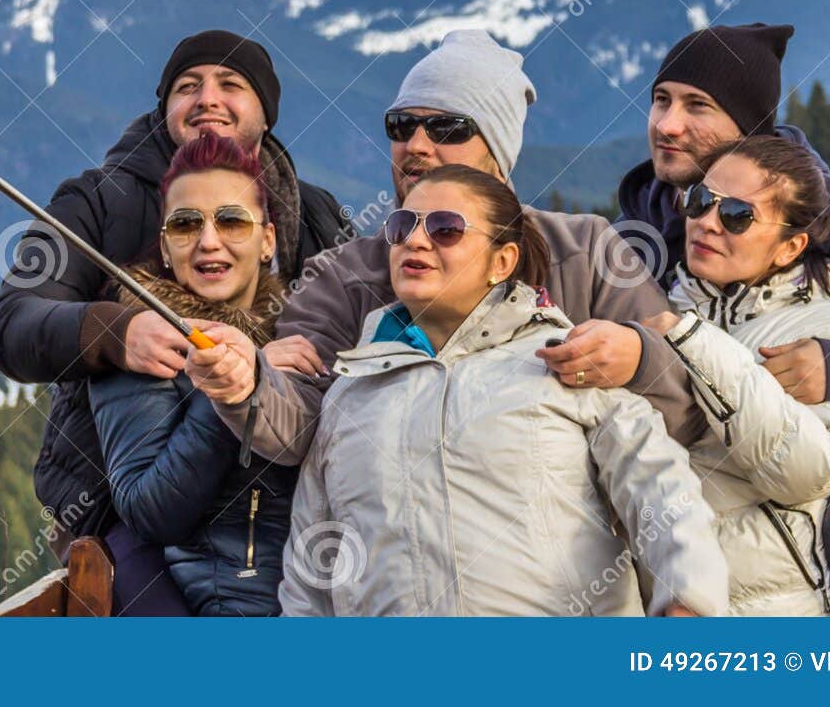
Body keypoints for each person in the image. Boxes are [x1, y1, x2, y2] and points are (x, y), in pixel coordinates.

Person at [187, 29, 702, 465]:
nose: (416, 144)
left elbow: (690, 409)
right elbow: (301, 429)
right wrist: (249, 383)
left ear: (498, 154)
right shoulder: (342, 275)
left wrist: (640, 359)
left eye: (447, 128)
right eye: (401, 125)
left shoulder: (585, 251)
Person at [279, 164, 728, 616]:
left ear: (502, 261)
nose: (415, 241)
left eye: (445, 228)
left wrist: (687, 600)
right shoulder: (350, 395)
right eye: (401, 226)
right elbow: (310, 572)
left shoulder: (565, 361)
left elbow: (660, 490)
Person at [616, 22, 830, 615]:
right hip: (712, 444)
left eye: (697, 106)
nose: (667, 124)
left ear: (749, 127)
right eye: (661, 100)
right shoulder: (634, 236)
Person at [0, 30, 350, 561]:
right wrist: (115, 332)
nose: (207, 99)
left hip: (283, 509)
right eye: (187, 86)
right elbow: (9, 322)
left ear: (266, 113)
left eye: (231, 84)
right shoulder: (98, 202)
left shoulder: (313, 214)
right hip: (119, 511)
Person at [640, 136, 830, 615]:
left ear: (790, 247)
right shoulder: (651, 309)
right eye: (701, 200)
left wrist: (693, 342)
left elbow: (805, 470)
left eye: (737, 215)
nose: (707, 222)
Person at [89, 134, 296, 615]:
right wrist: (230, 389)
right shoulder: (141, 349)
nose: (208, 241)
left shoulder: (303, 330)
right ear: (166, 247)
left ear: (267, 241)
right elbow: (150, 512)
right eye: (185, 224)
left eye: (231, 220)